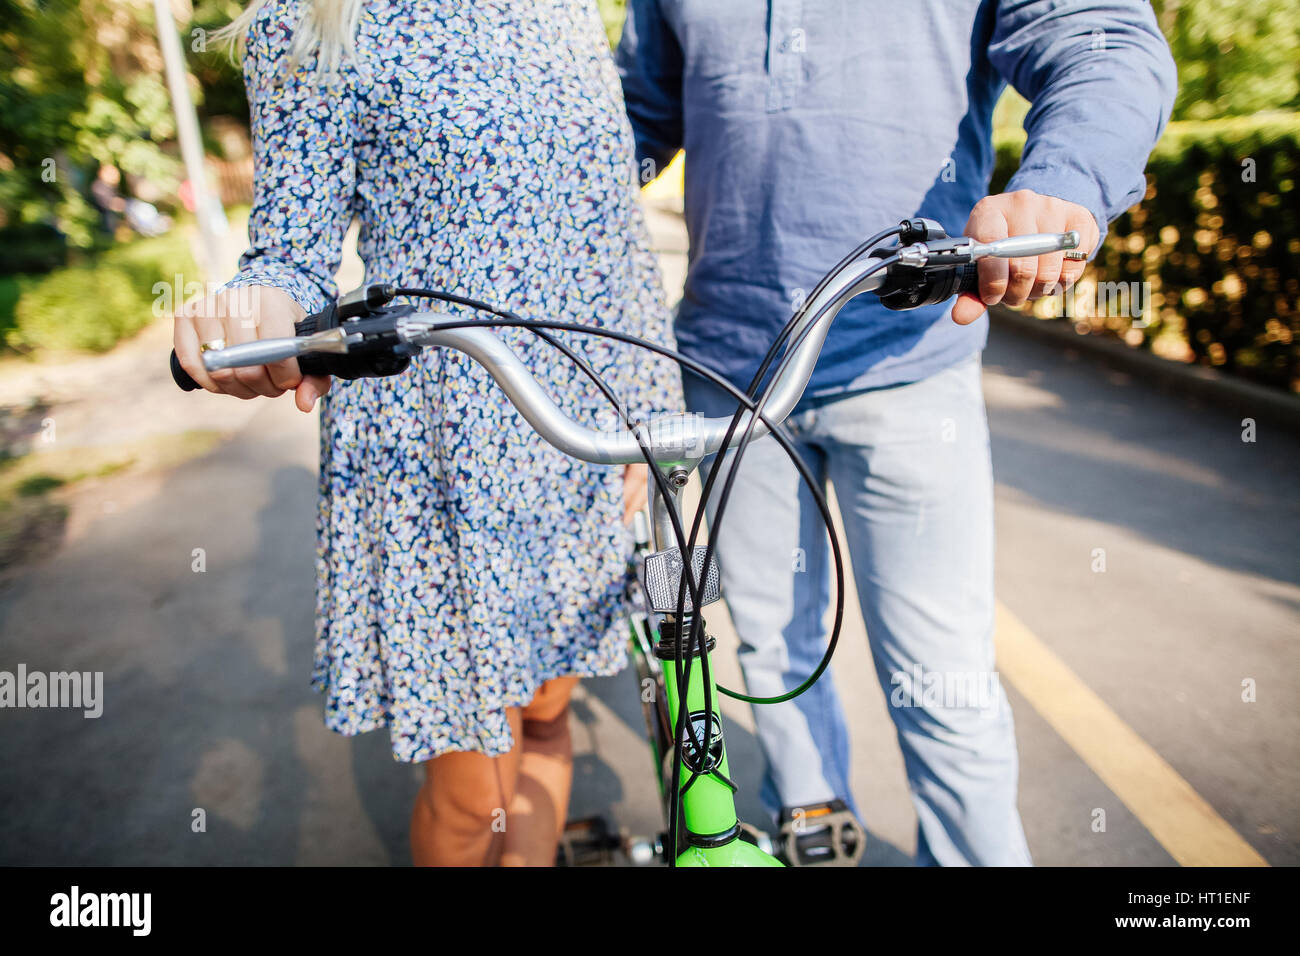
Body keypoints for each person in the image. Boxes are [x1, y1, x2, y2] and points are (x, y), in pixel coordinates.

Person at [617, 0, 1176, 865]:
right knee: (772, 664)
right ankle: (814, 842)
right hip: (732, 369)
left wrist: (1065, 180)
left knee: (943, 687)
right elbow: (639, 115)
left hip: (910, 363)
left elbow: (1102, 39)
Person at [174, 0, 678, 866]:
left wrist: (649, 408)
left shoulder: (558, 11)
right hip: (441, 449)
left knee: (550, 715)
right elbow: (291, 248)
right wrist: (259, 305)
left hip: (574, 431)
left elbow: (613, 233)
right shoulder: (313, 20)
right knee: (471, 788)